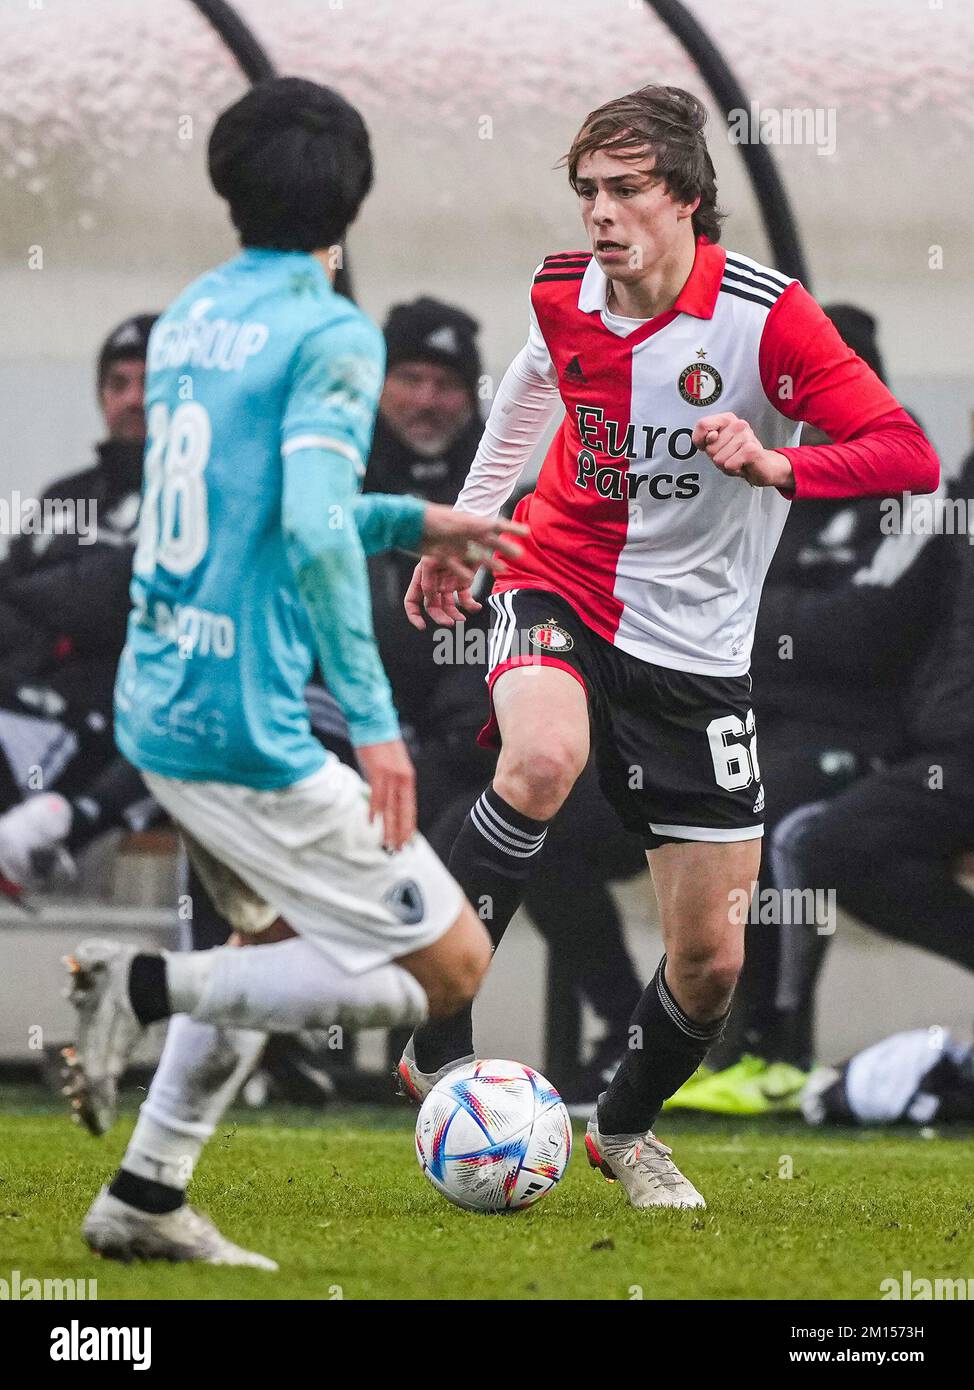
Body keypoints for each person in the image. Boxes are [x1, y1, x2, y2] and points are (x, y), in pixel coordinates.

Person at [398, 84, 939, 1211]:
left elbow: (905, 452)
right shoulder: (562, 292)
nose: (600, 213)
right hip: (562, 584)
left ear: (687, 198)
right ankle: (437, 1034)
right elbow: (525, 393)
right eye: (586, 189)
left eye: (626, 189)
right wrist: (461, 527)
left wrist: (780, 463)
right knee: (536, 762)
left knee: (709, 963)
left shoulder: (766, 317)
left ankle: (625, 1124)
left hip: (695, 652)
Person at [61, 76, 524, 1268]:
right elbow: (310, 535)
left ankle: (146, 1195)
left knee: (267, 949)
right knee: (444, 970)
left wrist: (402, 520)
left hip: (159, 693)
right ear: (351, 201)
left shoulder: (194, 315)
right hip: (246, 727)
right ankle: (145, 986)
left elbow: (265, 507)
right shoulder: (330, 330)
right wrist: (372, 729)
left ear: (229, 184)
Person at [674, 306, 947, 1110]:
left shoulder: (908, 484)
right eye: (800, 390)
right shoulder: (760, 472)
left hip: (863, 736)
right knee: (666, 810)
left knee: (775, 820)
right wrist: (792, 610)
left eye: (831, 388)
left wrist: (769, 611)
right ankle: (673, 1042)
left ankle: (774, 1047)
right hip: (756, 718)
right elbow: (703, 598)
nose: (811, 409)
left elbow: (867, 630)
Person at [770, 445, 974, 1038]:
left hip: (917, 745)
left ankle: (774, 1048)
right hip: (945, 752)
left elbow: (856, 627)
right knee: (824, 846)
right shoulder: (949, 502)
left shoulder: (922, 498)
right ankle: (768, 1050)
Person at [0, 315, 158, 898]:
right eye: (119, 384)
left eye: (153, 383)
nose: (134, 400)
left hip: (126, 716)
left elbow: (115, 598)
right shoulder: (64, 495)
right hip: (35, 701)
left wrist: (52, 598)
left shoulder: (199, 495)